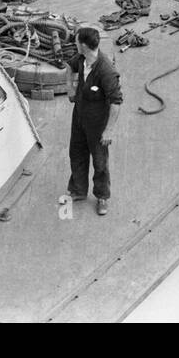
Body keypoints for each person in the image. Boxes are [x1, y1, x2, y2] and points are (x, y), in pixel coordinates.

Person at [65, 26, 122, 216]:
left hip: (97, 123)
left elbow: (116, 103)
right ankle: (79, 190)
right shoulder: (81, 59)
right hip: (79, 116)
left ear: (83, 45)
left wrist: (109, 131)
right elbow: (68, 67)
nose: (74, 43)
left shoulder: (106, 70)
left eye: (76, 41)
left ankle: (102, 197)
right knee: (77, 154)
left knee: (100, 162)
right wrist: (70, 88)